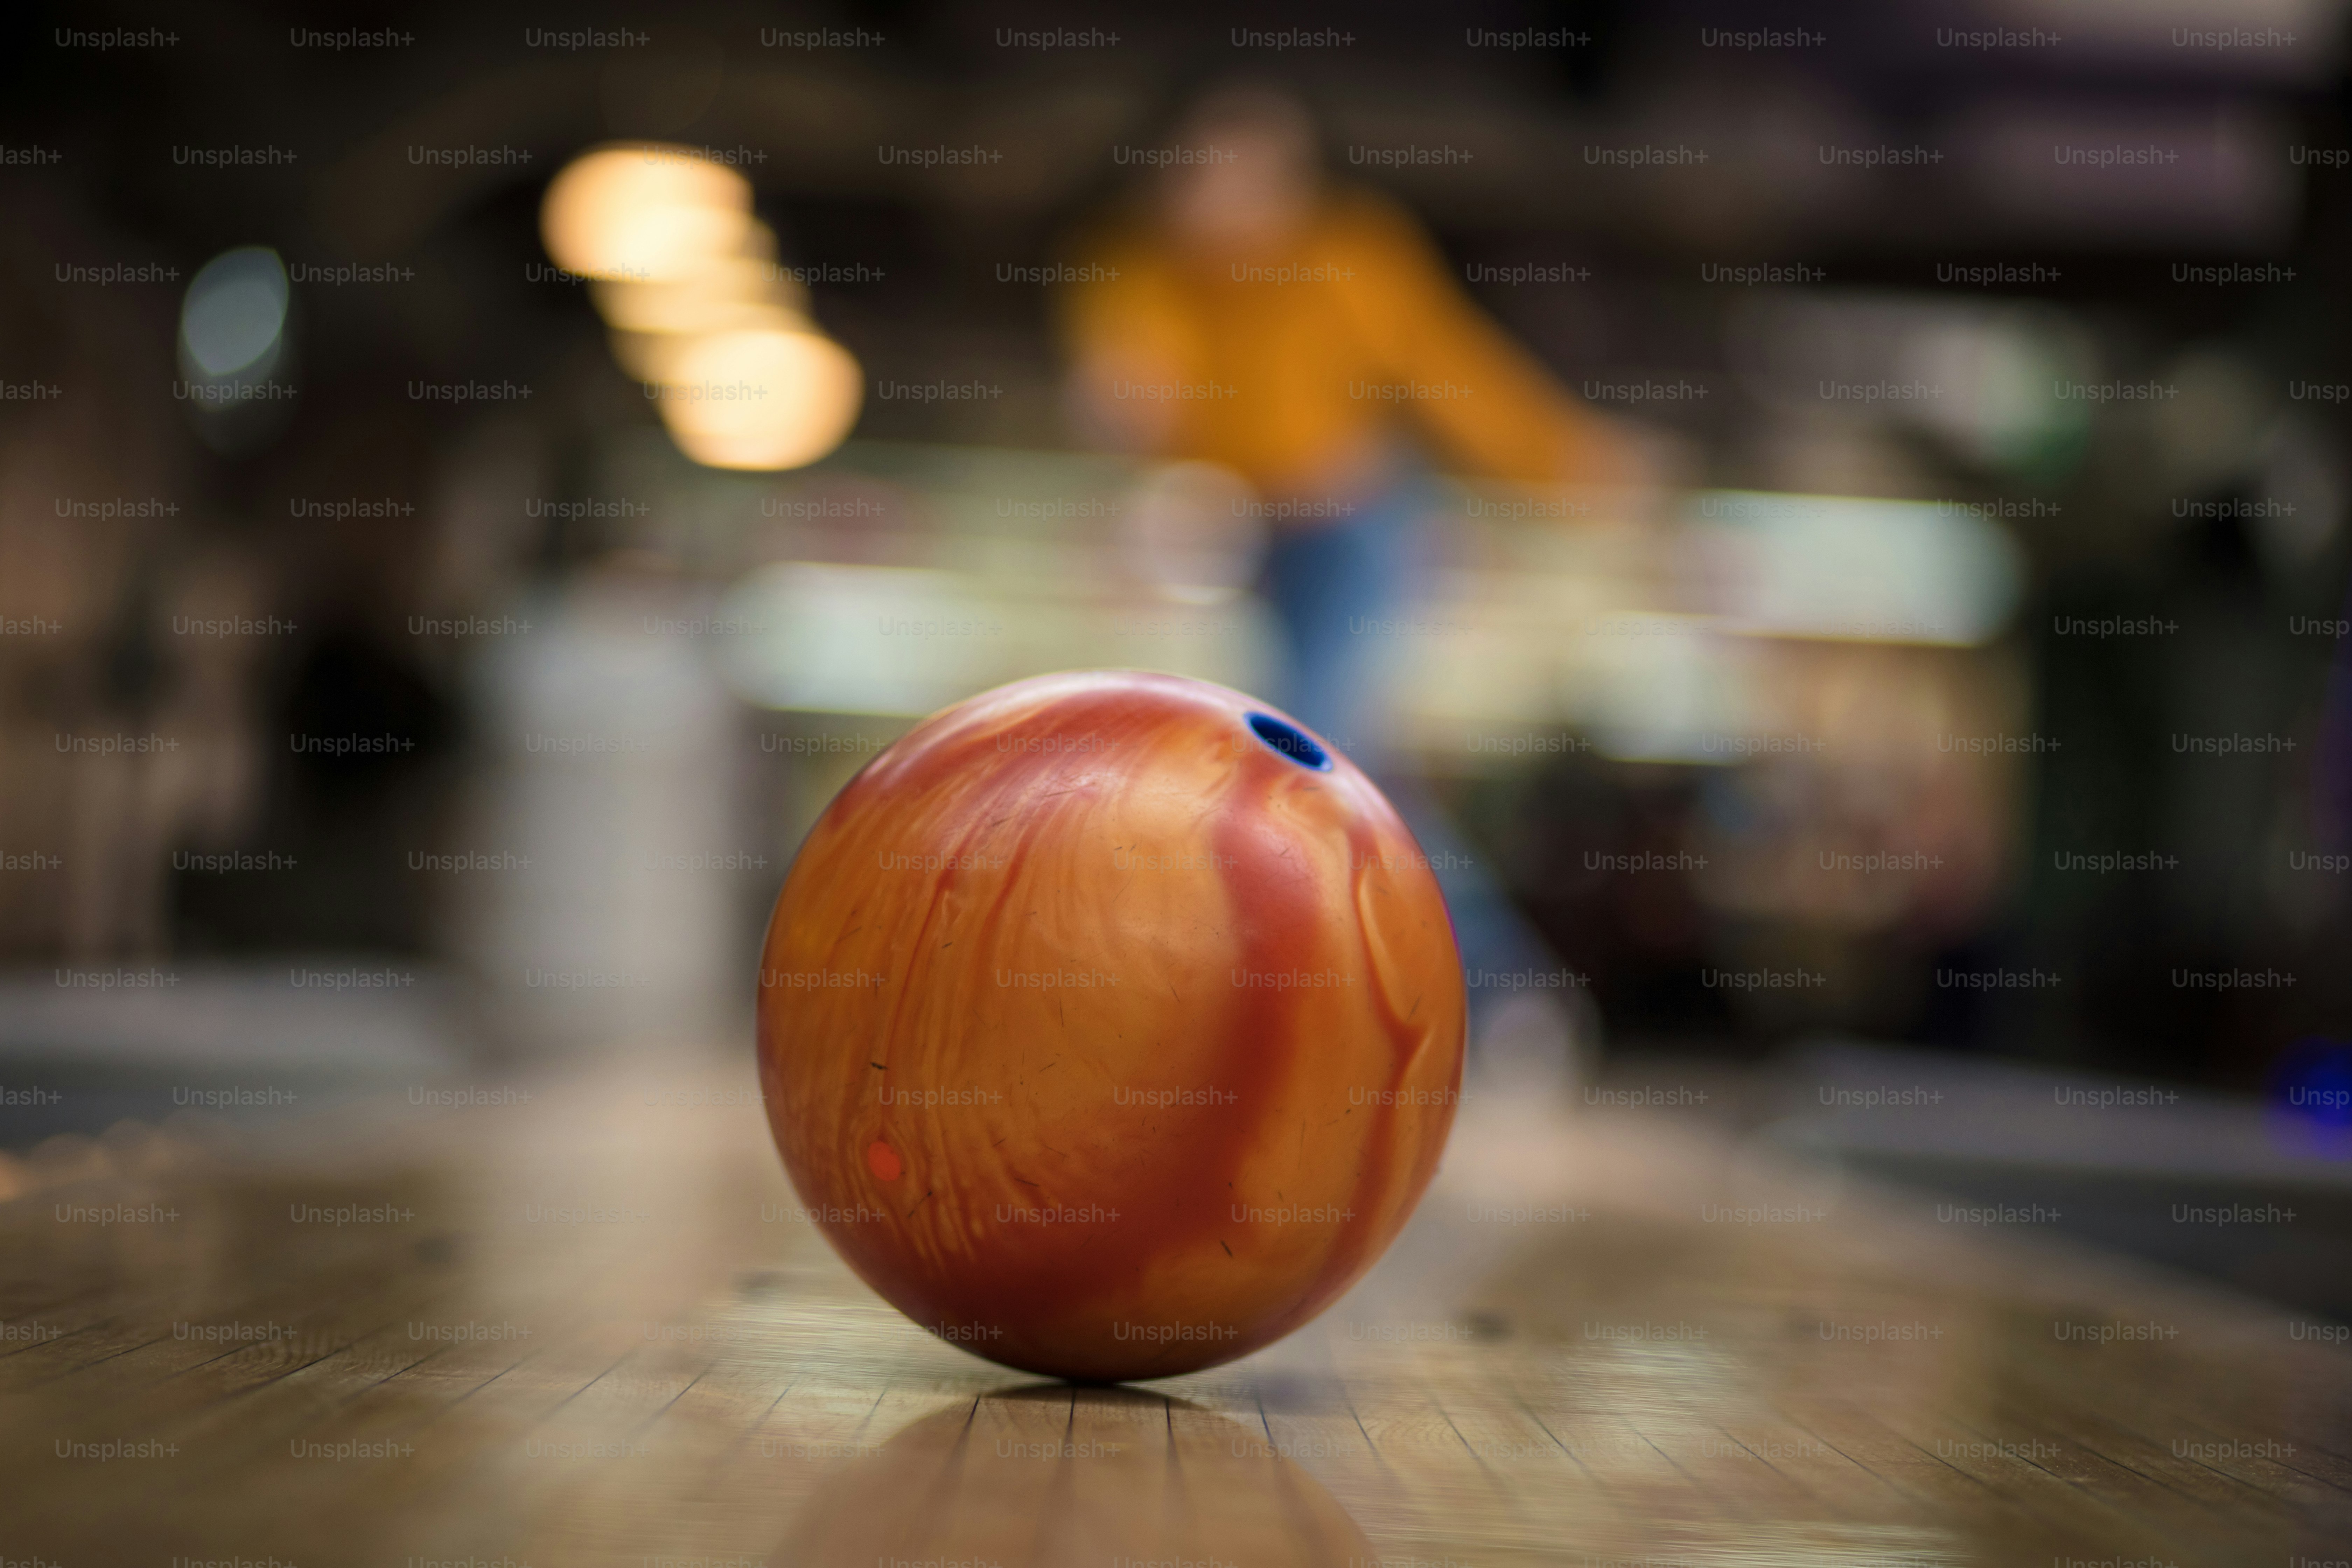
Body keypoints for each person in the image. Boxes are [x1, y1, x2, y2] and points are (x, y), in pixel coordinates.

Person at [1059, 83, 1648, 1085]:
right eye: (1207, 170)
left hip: (1364, 536)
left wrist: (1572, 460)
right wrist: (1122, 415)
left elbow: (1457, 374)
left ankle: (1471, 996)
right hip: (1264, 546)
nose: (1232, 195)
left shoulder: (1352, 252)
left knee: (1314, 767)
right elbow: (1129, 387)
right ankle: (1489, 995)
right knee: (1352, 775)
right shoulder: (1134, 267)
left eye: (1262, 173)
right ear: (1167, 171)